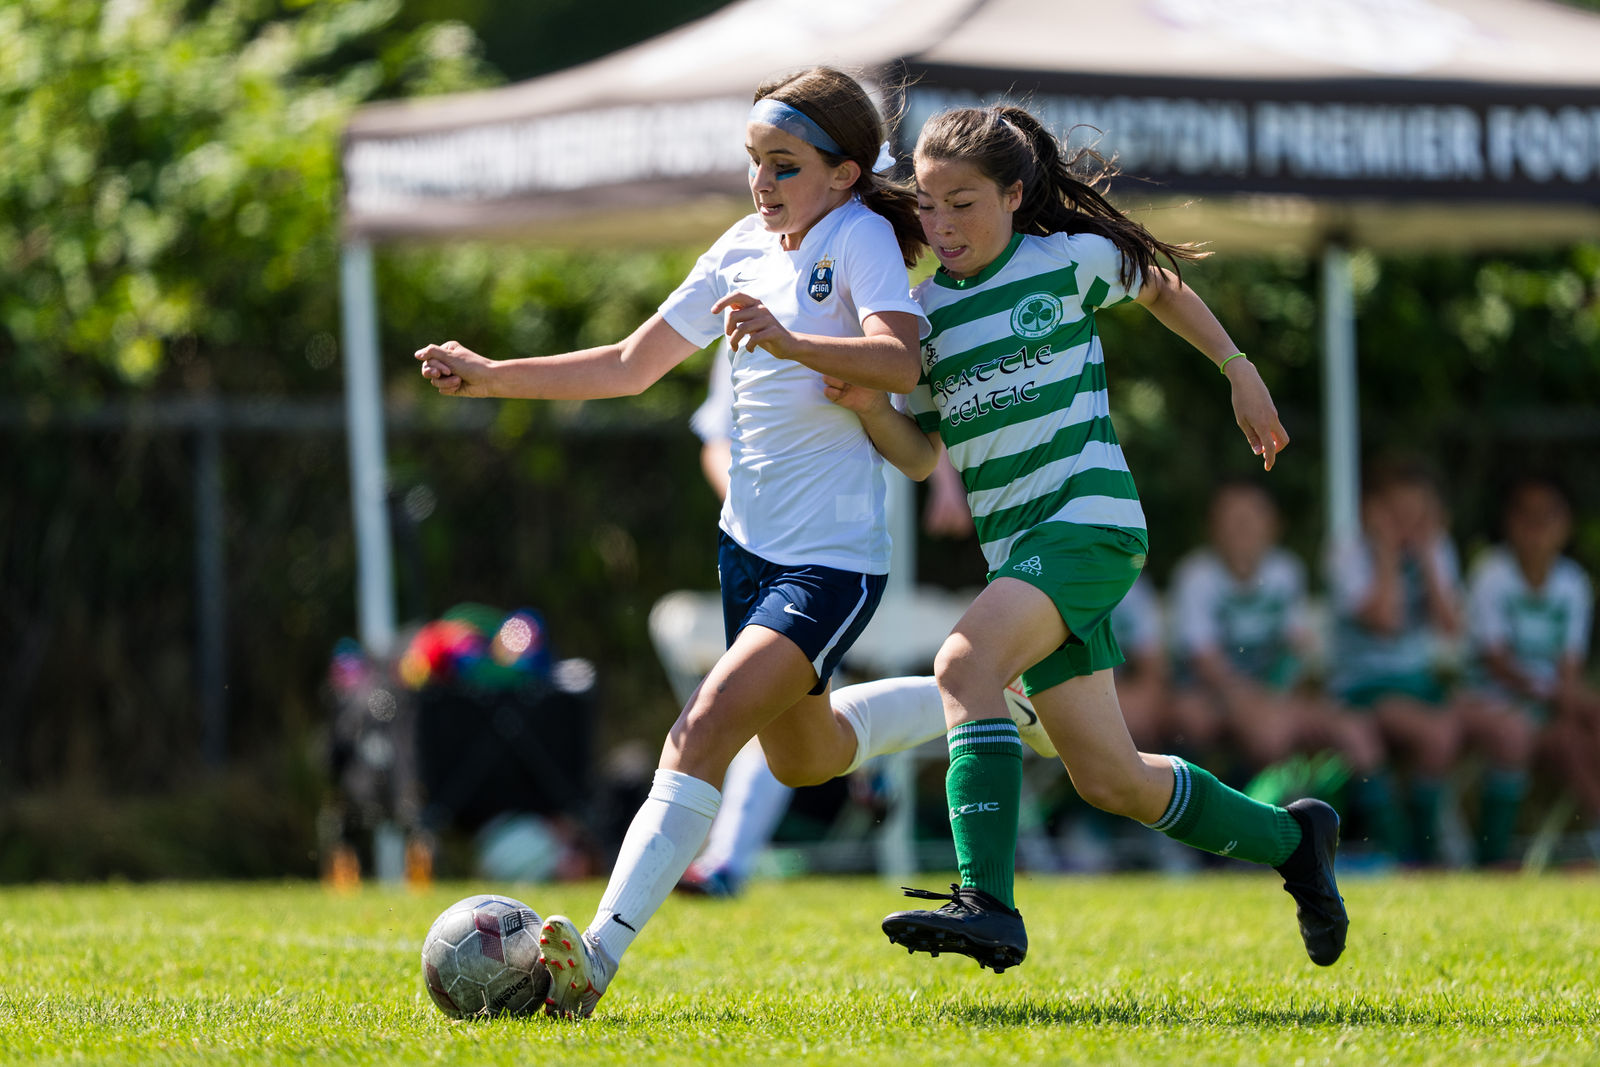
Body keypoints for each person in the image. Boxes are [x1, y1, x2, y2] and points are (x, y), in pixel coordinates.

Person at [416, 67, 1032, 1019]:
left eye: (783, 165)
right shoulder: (744, 245)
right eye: (754, 162)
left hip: (831, 563)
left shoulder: (860, 236)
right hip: (746, 555)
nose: (762, 183)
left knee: (702, 726)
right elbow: (630, 365)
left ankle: (596, 959)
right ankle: (984, 703)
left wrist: (792, 341)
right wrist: (493, 374)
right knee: (806, 756)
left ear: (843, 173)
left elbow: (900, 357)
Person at [822, 103, 1346, 972]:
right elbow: (919, 461)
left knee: (963, 664)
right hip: (1023, 557)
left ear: (1016, 194)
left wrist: (1238, 369)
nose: (941, 224)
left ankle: (987, 900)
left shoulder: (1065, 259)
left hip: (1090, 528)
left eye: (964, 202)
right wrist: (875, 407)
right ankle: (1294, 841)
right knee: (1111, 778)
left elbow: (1161, 284)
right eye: (928, 204)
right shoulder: (919, 320)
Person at [677, 346, 1048, 897]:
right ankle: (874, 756)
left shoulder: (873, 293)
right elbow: (717, 437)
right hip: (771, 556)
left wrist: (945, 482)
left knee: (767, 701)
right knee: (783, 718)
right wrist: (759, 513)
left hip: (848, 557)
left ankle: (727, 862)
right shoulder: (748, 296)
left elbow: (920, 411)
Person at [1169, 480, 1394, 850]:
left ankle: (1388, 850)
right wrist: (1263, 704)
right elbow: (1206, 666)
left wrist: (1286, 698)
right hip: (1217, 697)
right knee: (1267, 732)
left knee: (1356, 731)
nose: (1241, 528)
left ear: (1273, 524)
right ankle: (1261, 844)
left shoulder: (1285, 571)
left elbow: (1296, 650)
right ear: (1213, 526)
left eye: (1251, 517)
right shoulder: (1197, 576)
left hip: (1274, 697)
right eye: (1231, 519)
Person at [1324, 458, 1514, 865]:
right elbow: (1386, 621)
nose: (1409, 524)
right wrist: (1388, 553)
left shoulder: (1435, 549)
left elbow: (1450, 627)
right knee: (1438, 735)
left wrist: (1428, 557)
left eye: (1418, 514)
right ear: (1372, 511)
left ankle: (1492, 859)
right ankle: (1413, 851)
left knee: (1510, 731)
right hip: (1363, 686)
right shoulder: (1348, 552)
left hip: (1420, 682)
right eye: (1398, 513)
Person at [1465, 475, 1600, 858]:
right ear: (1510, 522)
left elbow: (1570, 666)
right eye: (1528, 516)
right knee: (1572, 734)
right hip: (1494, 702)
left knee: (1578, 738)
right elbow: (1496, 664)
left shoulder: (1573, 583)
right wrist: (1558, 693)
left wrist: (1565, 699)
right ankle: (1493, 856)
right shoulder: (1491, 574)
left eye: (1549, 516)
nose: (1537, 527)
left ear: (1566, 525)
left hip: (1549, 708)